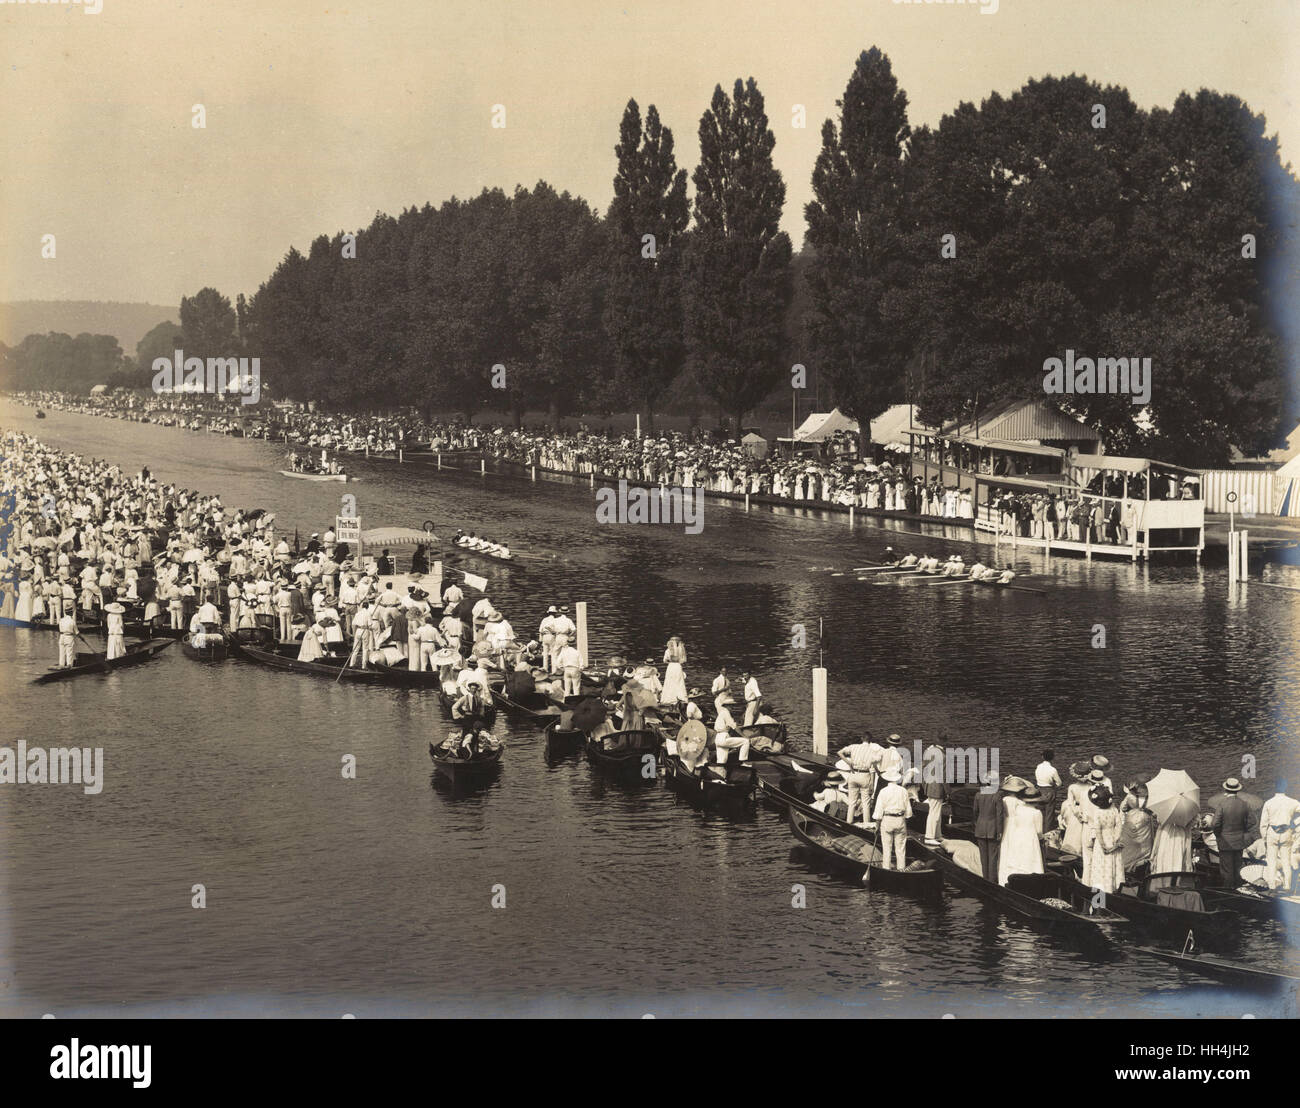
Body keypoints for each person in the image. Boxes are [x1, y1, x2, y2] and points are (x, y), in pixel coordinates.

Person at [1209, 777, 1254, 888]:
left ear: (1226, 790)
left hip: (1225, 842)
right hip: (1239, 841)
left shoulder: (1222, 805)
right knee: (1238, 868)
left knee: (1227, 870)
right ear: (1237, 790)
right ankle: (1239, 892)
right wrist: (1243, 829)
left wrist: (1218, 834)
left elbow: (1215, 824)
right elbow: (1253, 821)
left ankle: (1228, 893)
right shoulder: (1245, 804)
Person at [999, 785, 1045, 885]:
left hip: (1018, 835)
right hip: (1030, 837)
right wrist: (1042, 840)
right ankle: (1031, 881)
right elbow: (1039, 831)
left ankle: (1013, 879)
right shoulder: (1037, 812)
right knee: (1030, 859)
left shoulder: (1018, 810)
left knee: (1017, 858)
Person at [1259, 780, 1300, 891]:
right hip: (1286, 832)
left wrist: (1264, 839)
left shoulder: (1269, 803)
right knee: (1286, 860)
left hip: (1272, 832)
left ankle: (1272, 886)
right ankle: (1287, 886)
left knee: (1271, 861)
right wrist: (1295, 823)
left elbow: (1263, 824)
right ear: (1286, 787)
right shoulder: (1293, 802)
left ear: (1275, 787)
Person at [1083, 787, 1124, 894]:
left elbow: (1098, 831)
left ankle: (1100, 895)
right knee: (1113, 864)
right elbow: (1119, 825)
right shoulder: (1114, 810)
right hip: (1112, 838)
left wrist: (1102, 845)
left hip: (1103, 841)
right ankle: (1113, 889)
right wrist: (1116, 839)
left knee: (1101, 866)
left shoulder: (1098, 813)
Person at [837, 734, 883, 826]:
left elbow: (839, 752)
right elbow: (876, 763)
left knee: (852, 802)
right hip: (865, 775)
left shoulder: (854, 747)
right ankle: (866, 824)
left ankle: (849, 822)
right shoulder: (872, 751)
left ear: (862, 739)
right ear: (870, 741)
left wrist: (849, 762)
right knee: (866, 802)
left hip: (853, 774)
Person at [971, 770, 1004, 880]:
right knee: (993, 857)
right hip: (993, 828)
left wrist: (977, 824)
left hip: (980, 828)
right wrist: (1000, 831)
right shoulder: (997, 795)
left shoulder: (978, 794)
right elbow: (999, 815)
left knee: (983, 857)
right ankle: (992, 880)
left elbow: (975, 812)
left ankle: (985, 879)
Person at [1119, 782, 1156, 875]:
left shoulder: (1130, 796)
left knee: (1129, 843)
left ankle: (1126, 865)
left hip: (1131, 818)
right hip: (1145, 819)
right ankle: (1142, 864)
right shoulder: (1151, 796)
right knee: (1145, 842)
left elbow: (1122, 808)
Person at [1035, 749, 1062, 833]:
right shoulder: (1053, 770)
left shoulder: (1038, 767)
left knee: (1040, 812)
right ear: (1052, 758)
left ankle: (1039, 831)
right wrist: (1054, 787)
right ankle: (1047, 833)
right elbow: (1059, 783)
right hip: (1049, 790)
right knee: (1049, 814)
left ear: (1042, 757)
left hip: (1039, 790)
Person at [661, 635, 687, 705]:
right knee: (679, 682)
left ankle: (669, 699)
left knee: (670, 681)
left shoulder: (668, 650)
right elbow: (683, 660)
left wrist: (670, 661)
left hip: (671, 666)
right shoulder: (681, 650)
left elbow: (664, 660)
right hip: (678, 666)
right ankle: (680, 698)